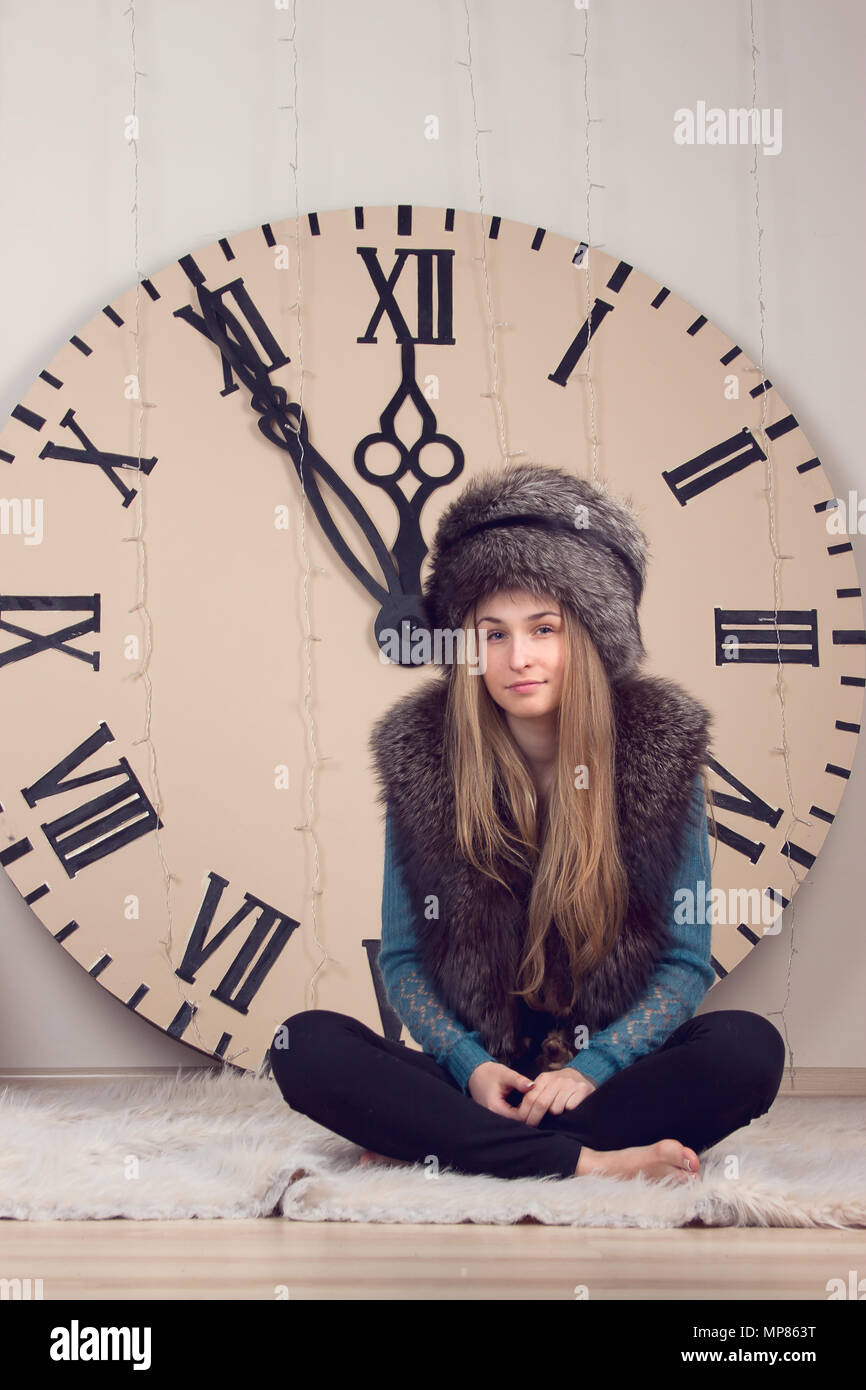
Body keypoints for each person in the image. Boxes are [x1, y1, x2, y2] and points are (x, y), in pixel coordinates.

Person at [270, 463, 785, 1184]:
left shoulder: (661, 755)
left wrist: (593, 1067)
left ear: (587, 636)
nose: (519, 659)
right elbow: (403, 960)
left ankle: (451, 1145)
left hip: (604, 1080)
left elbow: (684, 963)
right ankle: (587, 1164)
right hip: (479, 1078)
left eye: (544, 629)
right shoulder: (424, 756)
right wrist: (470, 1066)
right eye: (495, 634)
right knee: (305, 1045)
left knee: (746, 1049)